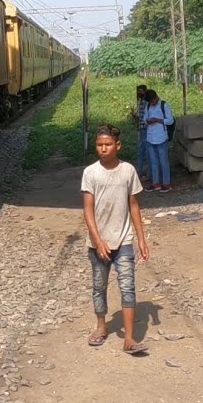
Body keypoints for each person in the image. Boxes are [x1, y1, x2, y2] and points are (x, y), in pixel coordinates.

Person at [81, 124, 150, 355]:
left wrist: (141, 238)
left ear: (117, 145)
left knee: (128, 287)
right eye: (99, 145)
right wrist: (97, 239)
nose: (103, 149)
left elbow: (133, 205)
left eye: (108, 144)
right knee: (99, 286)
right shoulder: (90, 173)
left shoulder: (128, 171)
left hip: (123, 241)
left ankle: (129, 339)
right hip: (97, 243)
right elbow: (88, 211)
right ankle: (101, 327)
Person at [142, 89, 174, 192]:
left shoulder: (164, 105)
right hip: (150, 136)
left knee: (163, 161)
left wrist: (157, 120)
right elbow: (144, 119)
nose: (152, 103)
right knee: (153, 162)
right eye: (150, 102)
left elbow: (170, 120)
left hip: (161, 136)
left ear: (156, 98)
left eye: (152, 101)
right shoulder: (148, 106)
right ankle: (155, 183)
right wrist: (147, 121)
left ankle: (166, 183)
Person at [128, 84, 150, 182]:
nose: (139, 93)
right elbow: (141, 118)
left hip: (145, 129)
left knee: (146, 151)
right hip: (141, 129)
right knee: (141, 151)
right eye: (138, 91)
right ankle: (140, 172)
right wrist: (135, 117)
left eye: (141, 91)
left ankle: (148, 173)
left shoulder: (145, 102)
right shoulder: (140, 102)